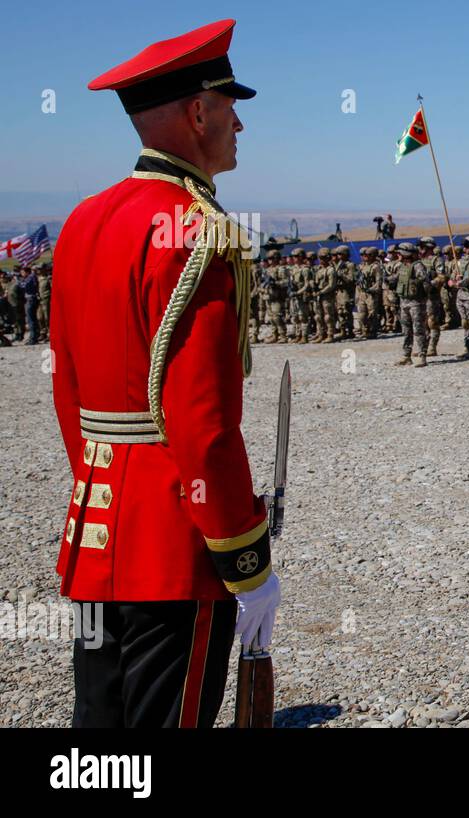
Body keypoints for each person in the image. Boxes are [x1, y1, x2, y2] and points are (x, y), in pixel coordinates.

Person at [51, 18, 279, 727]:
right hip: (173, 549)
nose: (239, 122)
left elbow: (67, 387)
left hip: (96, 531)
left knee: (100, 735)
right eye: (229, 104)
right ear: (198, 112)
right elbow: (203, 426)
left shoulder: (84, 221)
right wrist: (247, 561)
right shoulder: (200, 231)